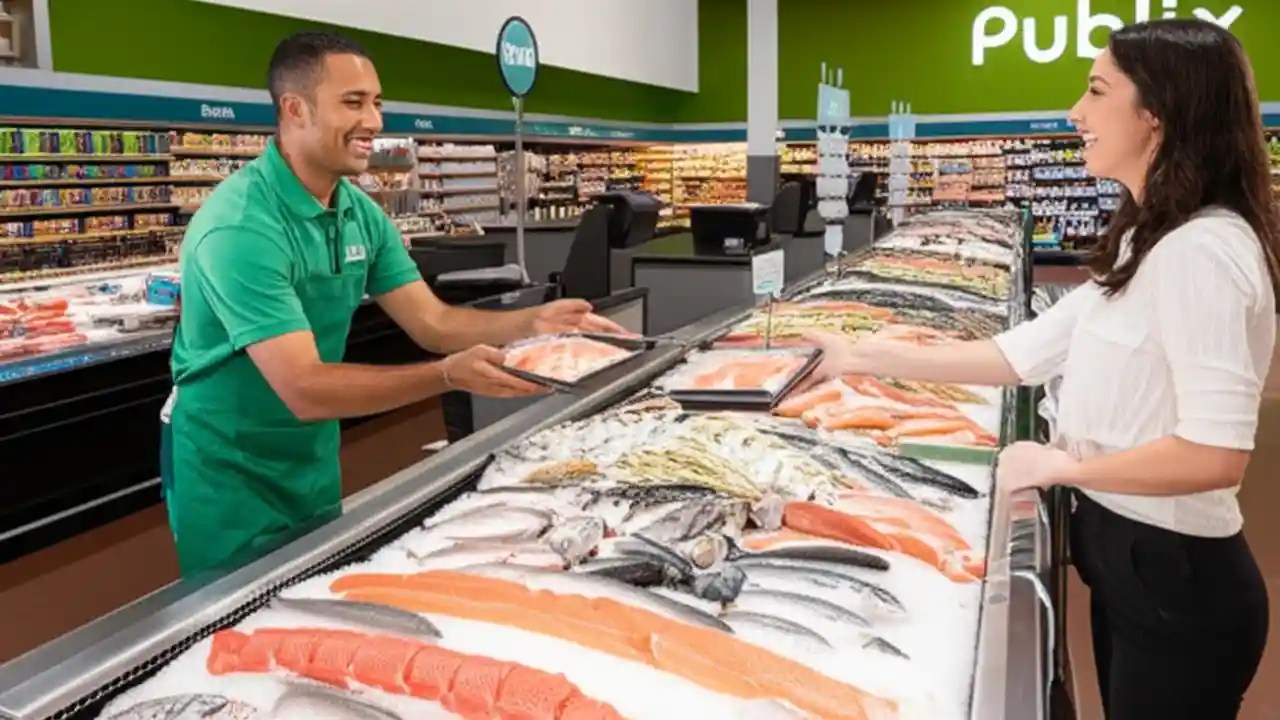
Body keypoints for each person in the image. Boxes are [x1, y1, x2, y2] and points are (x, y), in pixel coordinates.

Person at [803, 19, 1278, 720]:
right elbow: (1015, 354)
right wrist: (858, 356)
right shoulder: (1149, 242)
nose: (1074, 113)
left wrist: (1063, 467)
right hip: (1134, 568)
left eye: (1095, 91)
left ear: (1158, 115)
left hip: (1179, 582)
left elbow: (1216, 454)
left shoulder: (1200, 253)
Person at [162, 31, 624, 580]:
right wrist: (447, 376)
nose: (375, 121)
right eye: (353, 102)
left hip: (310, 454)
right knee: (233, 628)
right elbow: (304, 388)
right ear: (294, 109)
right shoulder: (240, 226)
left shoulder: (357, 210)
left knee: (312, 597)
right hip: (227, 470)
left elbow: (431, 321)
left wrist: (532, 321)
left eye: (377, 102)